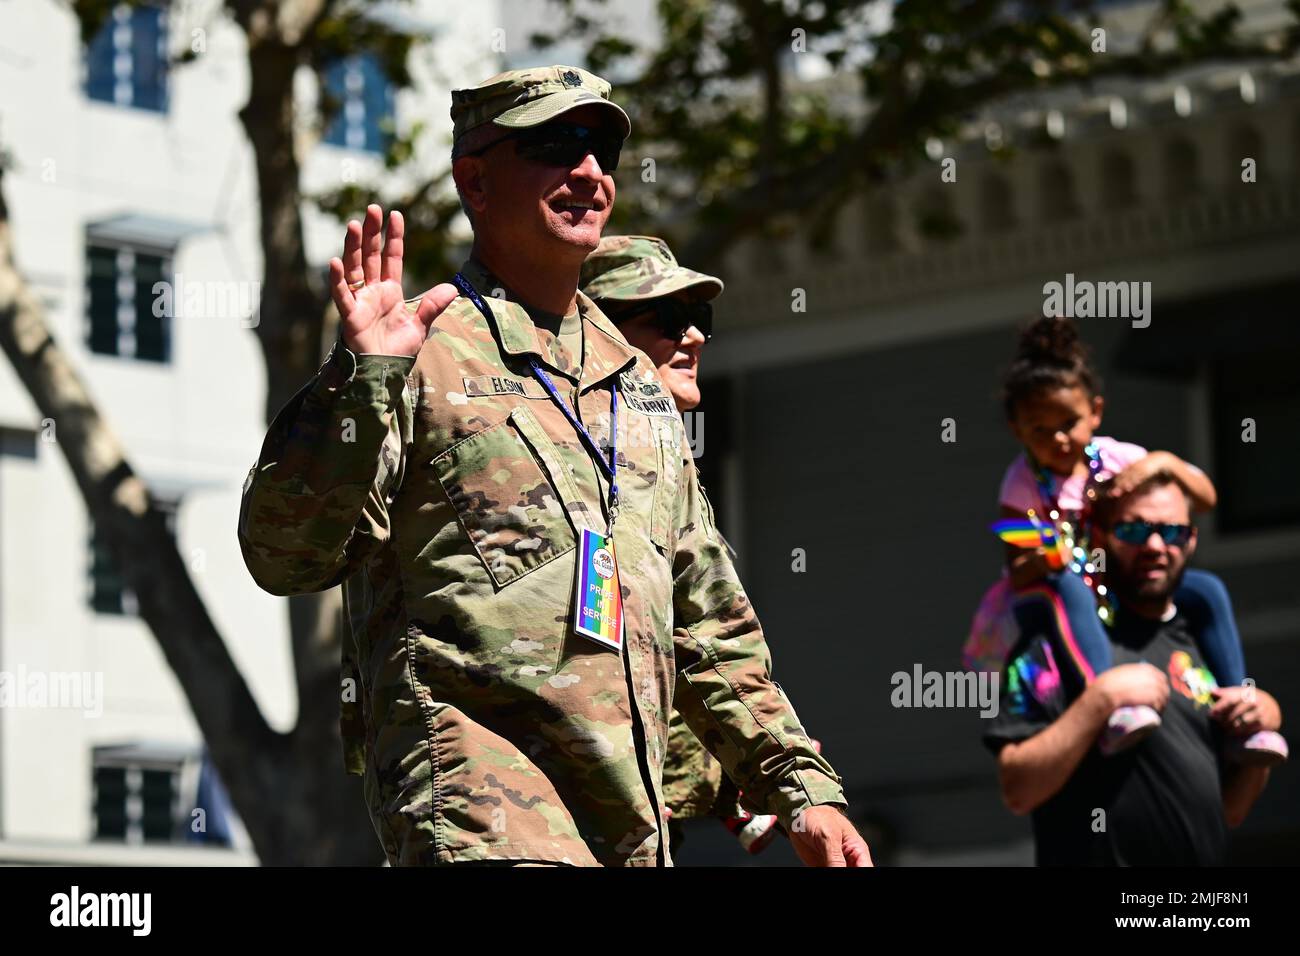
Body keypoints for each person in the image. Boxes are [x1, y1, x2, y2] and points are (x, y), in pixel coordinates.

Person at [238, 65, 869, 867]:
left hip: (628, 829)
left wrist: (800, 787)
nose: (588, 172)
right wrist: (365, 378)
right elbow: (285, 557)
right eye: (553, 146)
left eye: (601, 148)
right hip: (482, 814)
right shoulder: (419, 351)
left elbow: (706, 618)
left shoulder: (636, 387)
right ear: (474, 179)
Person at [965, 316, 1286, 764]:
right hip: (1049, 590)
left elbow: (1207, 498)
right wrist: (1051, 556)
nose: (1058, 438)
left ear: (1095, 412)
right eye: (1040, 429)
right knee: (1072, 586)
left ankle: (1239, 708)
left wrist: (1164, 464)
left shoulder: (1120, 458)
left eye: (1070, 422)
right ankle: (1116, 703)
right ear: (1017, 428)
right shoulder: (1021, 485)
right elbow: (1020, 569)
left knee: (1206, 589)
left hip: (1109, 579)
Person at [580, 235, 781, 855]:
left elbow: (694, 640)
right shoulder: (563, 458)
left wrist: (762, 764)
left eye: (701, 319)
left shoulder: (656, 454)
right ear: (596, 333)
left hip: (650, 813)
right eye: (668, 320)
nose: (694, 337)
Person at [985, 472, 1284, 865]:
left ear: (1192, 539)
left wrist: (1262, 719)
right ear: (1102, 538)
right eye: (1134, 530)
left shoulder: (1204, 642)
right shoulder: (1053, 644)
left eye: (1173, 532)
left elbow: (1231, 809)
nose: (1156, 546)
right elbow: (1017, 788)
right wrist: (1101, 700)